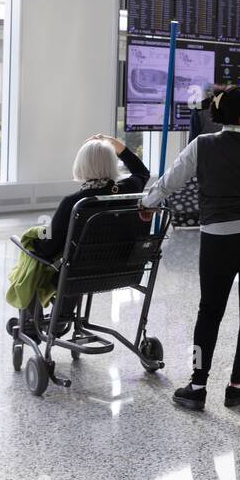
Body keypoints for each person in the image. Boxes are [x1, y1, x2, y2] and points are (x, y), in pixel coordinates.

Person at [140, 86, 240, 411]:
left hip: (217, 241)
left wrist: (147, 202)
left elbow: (171, 180)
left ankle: (197, 385)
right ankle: (238, 385)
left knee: (209, 312)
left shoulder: (202, 145)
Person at [27, 134, 150, 335]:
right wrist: (118, 146)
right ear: (113, 162)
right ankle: (61, 318)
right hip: (124, 271)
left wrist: (32, 242)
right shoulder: (130, 189)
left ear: (81, 164)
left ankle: (34, 323)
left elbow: (49, 249)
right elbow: (141, 172)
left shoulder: (74, 203)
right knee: (79, 261)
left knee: (39, 261)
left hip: (80, 275)